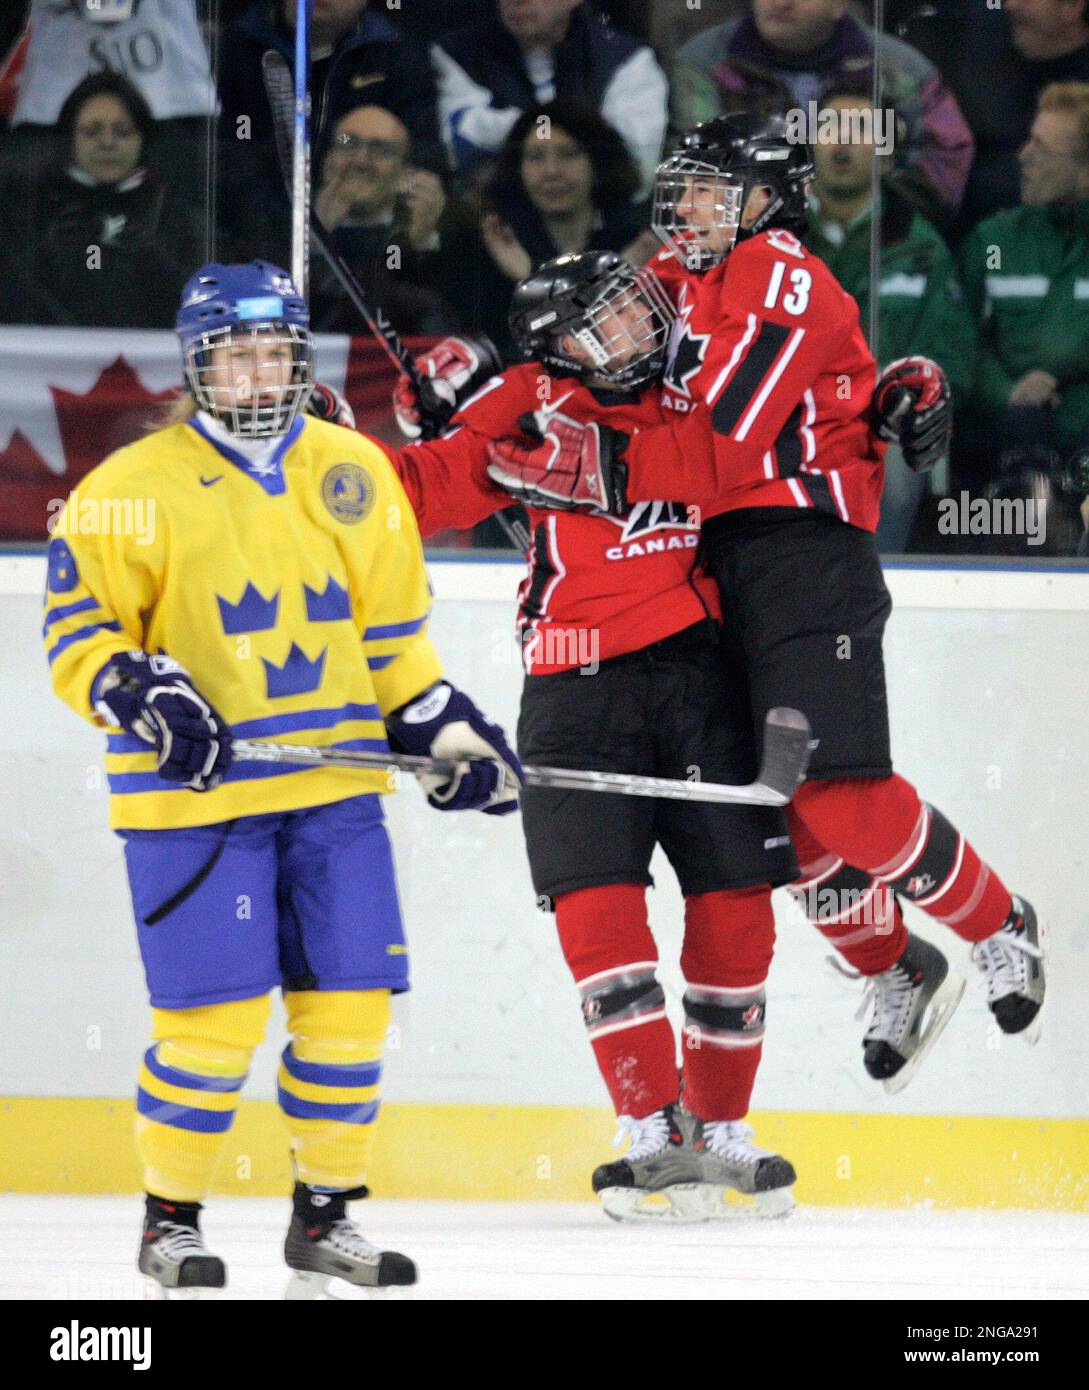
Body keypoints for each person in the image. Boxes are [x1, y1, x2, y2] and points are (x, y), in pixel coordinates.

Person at [483, 115, 1047, 1088]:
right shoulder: (681, 276)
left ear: (763, 199)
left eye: (709, 191)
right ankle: (897, 964)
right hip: (705, 562)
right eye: (682, 191)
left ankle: (1000, 921)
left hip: (798, 548)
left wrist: (591, 470)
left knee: (840, 792)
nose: (687, 209)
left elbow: (727, 434)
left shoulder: (776, 267)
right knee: (776, 816)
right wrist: (463, 405)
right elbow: (586, 348)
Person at [42, 258, 522, 1297]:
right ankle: (170, 1221)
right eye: (237, 355)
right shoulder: (125, 489)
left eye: (276, 352)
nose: (259, 373)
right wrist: (139, 691)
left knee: (349, 1014)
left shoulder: (355, 471)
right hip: (195, 808)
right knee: (212, 1031)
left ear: (302, 360)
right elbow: (77, 637)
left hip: (337, 801)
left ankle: (325, 1217)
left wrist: (446, 736)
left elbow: (394, 649)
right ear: (197, 366)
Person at [359, 253, 802, 1220]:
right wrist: (335, 453)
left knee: (735, 905)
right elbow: (424, 490)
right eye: (612, 320)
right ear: (560, 347)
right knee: (597, 913)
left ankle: (719, 1126)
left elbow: (783, 434)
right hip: (574, 684)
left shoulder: (699, 382)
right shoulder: (526, 401)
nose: (642, 326)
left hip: (704, 674)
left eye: (639, 307)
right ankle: (650, 1128)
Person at [804, 86, 977, 551]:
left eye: (861, 130)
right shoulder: (776, 239)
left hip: (878, 420)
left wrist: (895, 394)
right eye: (829, 128)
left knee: (894, 464)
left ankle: (876, 582)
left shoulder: (920, 248)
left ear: (887, 158)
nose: (843, 141)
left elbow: (951, 359)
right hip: (786, 414)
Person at [672, 0, 974, 219]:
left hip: (874, 243)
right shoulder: (705, 62)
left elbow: (946, 156)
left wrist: (863, 207)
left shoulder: (901, 70)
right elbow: (697, 165)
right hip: (748, 239)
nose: (780, 3)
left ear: (839, 5)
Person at [0, 72, 206, 328]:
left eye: (123, 132)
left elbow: (204, 307)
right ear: (69, 138)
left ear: (144, 139)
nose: (107, 143)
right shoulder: (32, 210)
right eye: (92, 132)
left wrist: (152, 260)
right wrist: (48, 254)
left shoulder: (173, 214)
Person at [960, 83, 1089, 470]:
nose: (1023, 156)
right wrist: (1008, 391)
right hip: (1008, 432)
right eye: (1029, 140)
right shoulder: (995, 243)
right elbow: (960, 339)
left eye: (1042, 148)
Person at [432, 0, 668, 195]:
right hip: (496, 220)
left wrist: (507, 134)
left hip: (604, 224)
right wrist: (581, 135)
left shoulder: (627, 59)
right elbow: (458, 150)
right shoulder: (457, 54)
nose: (516, 2)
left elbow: (636, 168)